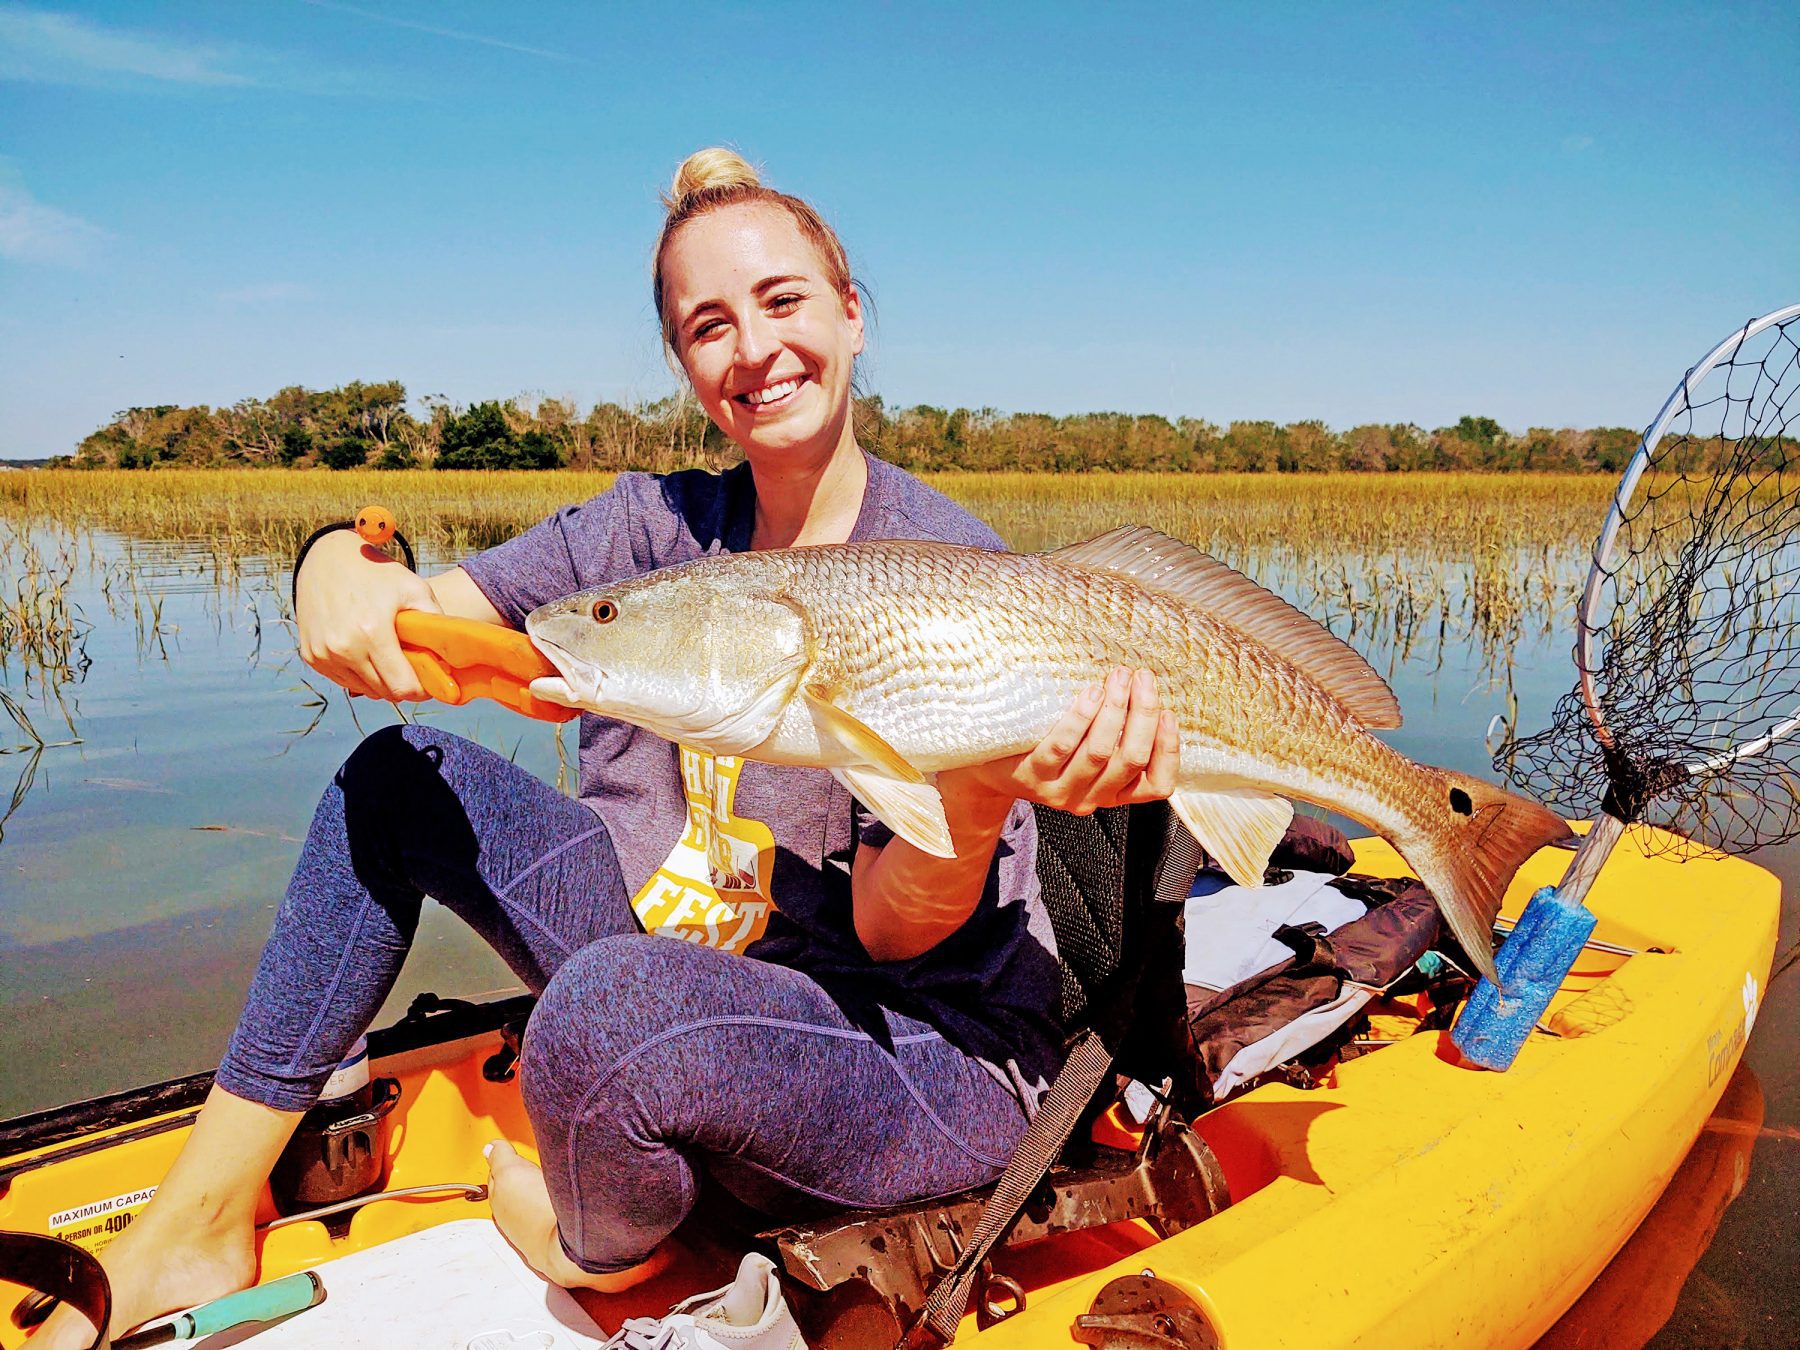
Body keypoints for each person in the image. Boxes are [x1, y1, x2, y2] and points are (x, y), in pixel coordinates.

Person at [35, 148, 1178, 1348]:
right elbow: (425, 614)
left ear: (850, 315)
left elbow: (902, 933)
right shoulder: (645, 529)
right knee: (397, 782)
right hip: (677, 963)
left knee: (605, 1007)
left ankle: (612, 1248)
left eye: (784, 301)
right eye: (708, 326)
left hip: (910, 1055)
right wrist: (332, 560)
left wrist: (983, 794)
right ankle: (199, 1219)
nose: (755, 349)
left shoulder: (954, 575)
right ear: (687, 366)